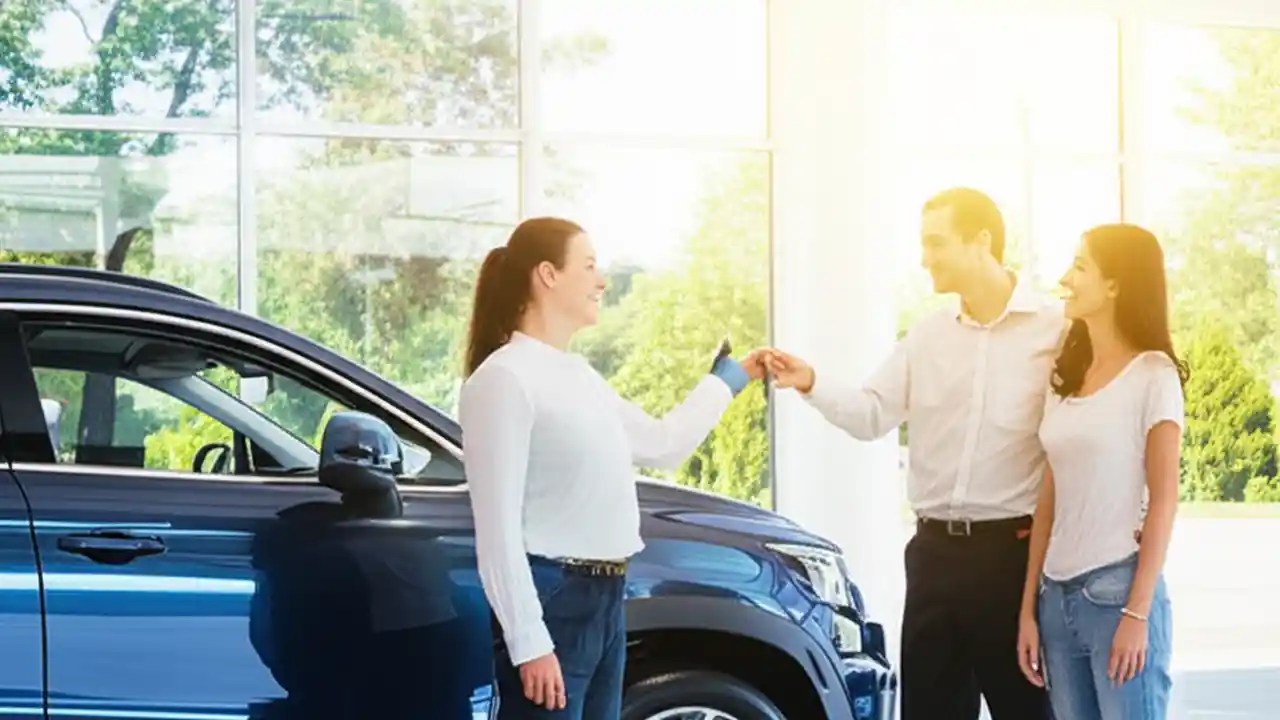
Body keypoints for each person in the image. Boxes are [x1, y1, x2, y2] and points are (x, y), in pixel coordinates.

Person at [763, 187, 1060, 719]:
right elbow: (871, 413)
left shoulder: (1054, 331)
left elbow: (1081, 440)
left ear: (981, 242)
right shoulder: (927, 338)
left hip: (1011, 560)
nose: (925, 258)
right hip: (933, 559)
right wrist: (810, 382)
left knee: (1027, 711)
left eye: (936, 242)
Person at [458, 217, 763, 719]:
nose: (602, 281)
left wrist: (728, 380)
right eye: (590, 265)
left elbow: (663, 445)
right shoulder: (504, 380)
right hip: (554, 598)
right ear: (547, 275)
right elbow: (497, 533)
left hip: (605, 597)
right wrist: (528, 640)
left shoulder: (578, 376)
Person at [1016, 223, 1184, 720]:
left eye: (1081, 266)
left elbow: (1165, 500)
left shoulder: (1154, 374)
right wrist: (1029, 609)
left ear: (1116, 284)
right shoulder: (1067, 377)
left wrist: (1137, 613)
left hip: (1117, 595)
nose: (1067, 278)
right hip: (1055, 599)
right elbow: (1049, 503)